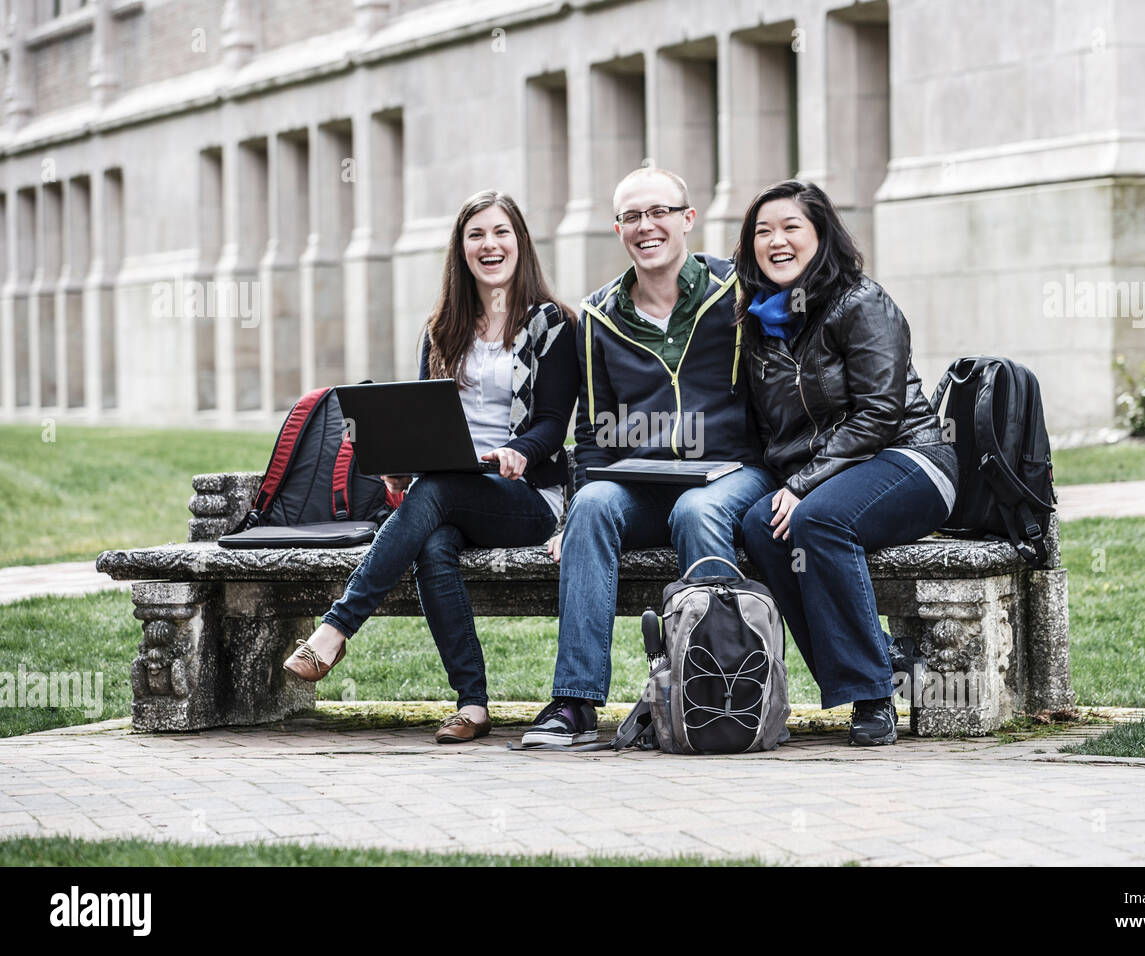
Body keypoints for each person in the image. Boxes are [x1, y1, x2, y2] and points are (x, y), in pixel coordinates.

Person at [282, 189, 578, 744]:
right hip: (449, 489)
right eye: (476, 235)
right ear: (461, 249)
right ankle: (473, 704)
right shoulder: (443, 326)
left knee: (438, 491)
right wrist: (400, 463)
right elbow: (425, 418)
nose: (489, 245)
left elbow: (553, 424)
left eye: (500, 233)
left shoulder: (554, 324)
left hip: (525, 496)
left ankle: (337, 626)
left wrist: (520, 451)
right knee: (434, 542)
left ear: (520, 243)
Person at [521, 167, 775, 747]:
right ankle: (575, 705)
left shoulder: (737, 292)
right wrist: (573, 513)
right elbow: (592, 431)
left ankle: (714, 695)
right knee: (592, 503)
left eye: (659, 212)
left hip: (732, 474)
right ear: (618, 230)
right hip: (641, 483)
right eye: (632, 217)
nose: (646, 226)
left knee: (696, 510)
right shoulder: (597, 316)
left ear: (688, 218)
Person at [735, 180, 958, 746]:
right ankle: (881, 662)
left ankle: (871, 695)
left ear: (821, 236)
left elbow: (881, 413)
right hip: (834, 476)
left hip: (911, 458)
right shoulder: (757, 326)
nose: (776, 241)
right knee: (762, 524)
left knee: (817, 520)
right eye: (763, 231)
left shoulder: (861, 302)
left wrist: (805, 484)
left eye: (791, 228)